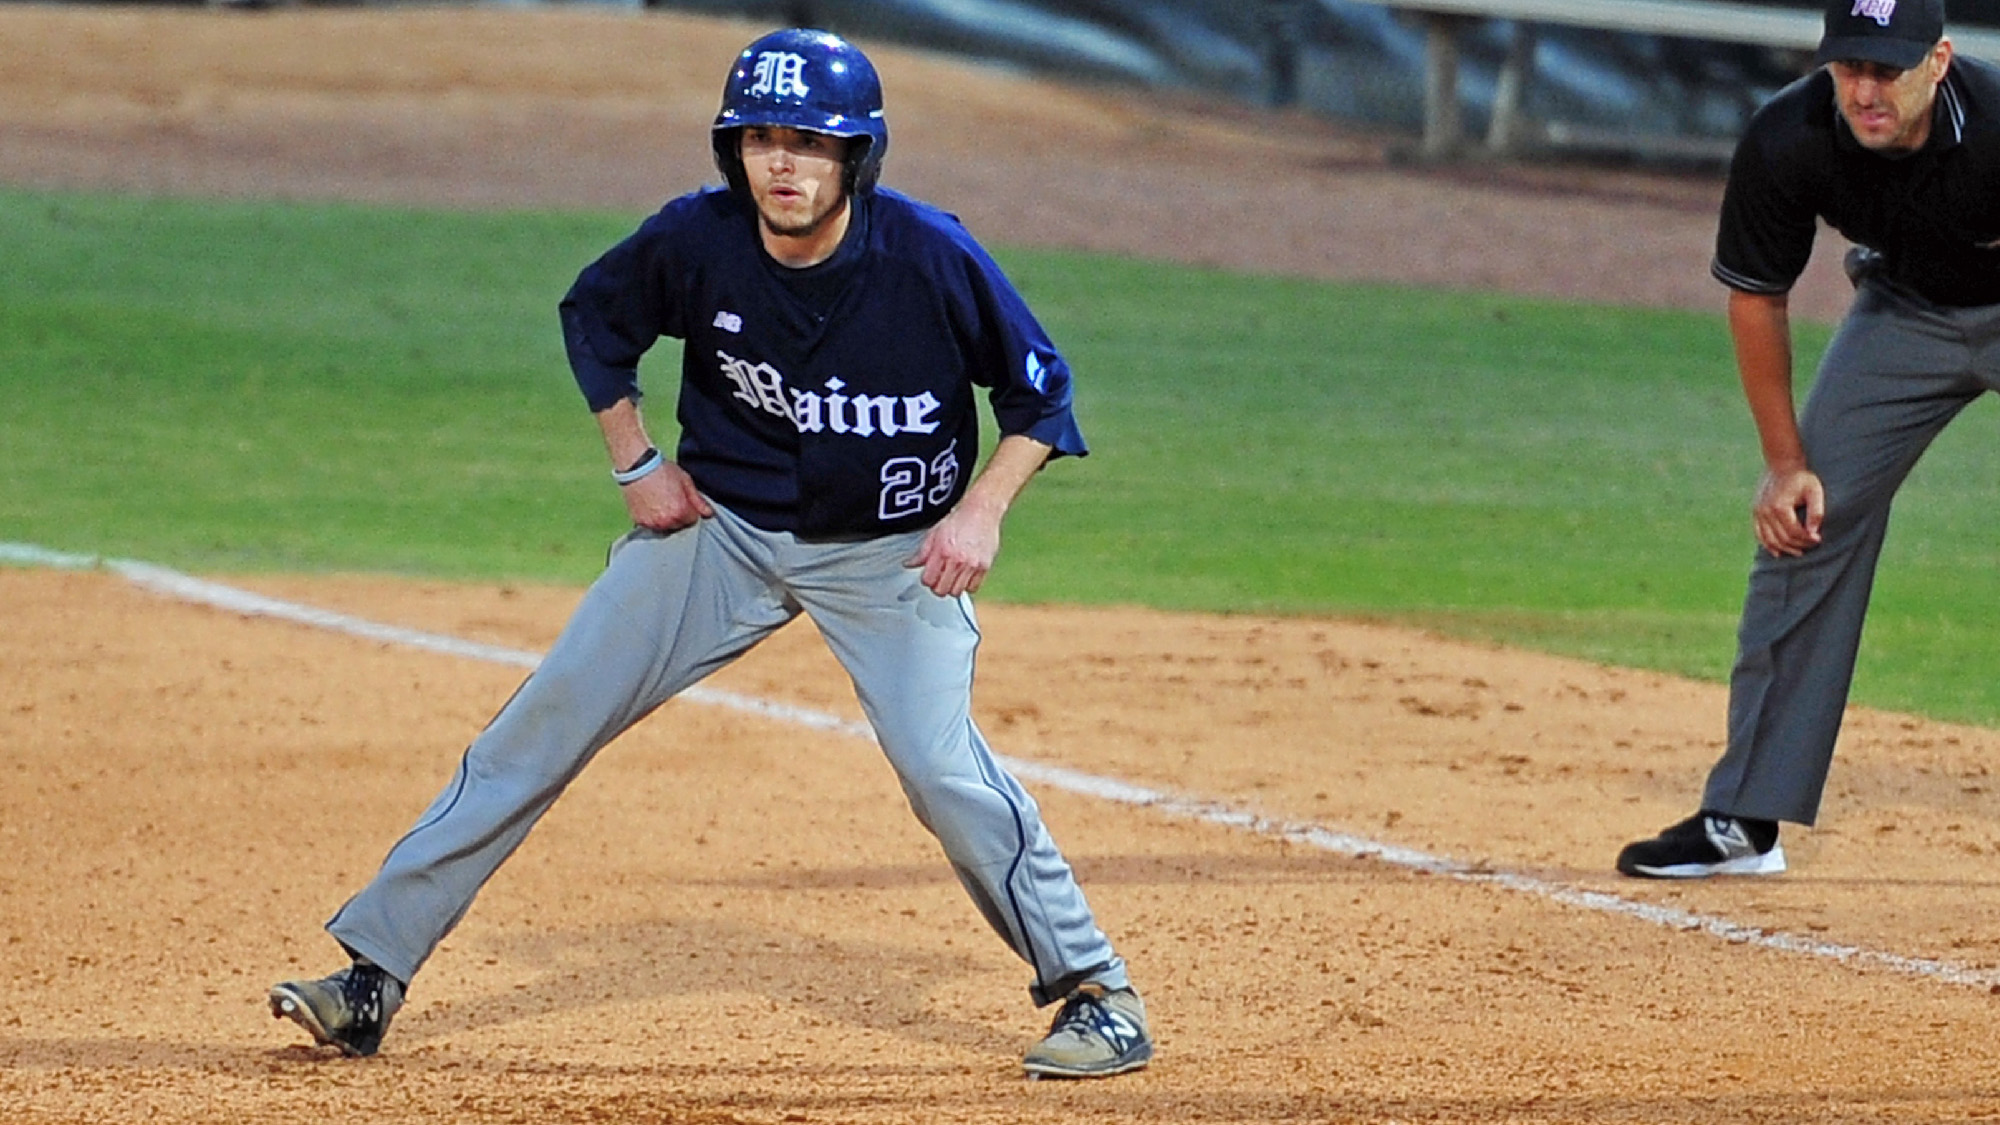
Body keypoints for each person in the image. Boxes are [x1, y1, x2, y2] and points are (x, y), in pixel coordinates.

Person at [267, 28, 1152, 1079]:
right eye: (760, 139)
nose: (782, 164)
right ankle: (370, 975)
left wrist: (980, 512)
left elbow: (1040, 397)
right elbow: (595, 319)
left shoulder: (927, 254)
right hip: (720, 533)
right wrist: (634, 461)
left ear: (856, 156)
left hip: (887, 557)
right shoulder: (698, 239)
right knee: (543, 722)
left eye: (810, 143)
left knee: (940, 771)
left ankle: (1099, 994)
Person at [1618, 0, 2000, 878]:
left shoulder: (1995, 126)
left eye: (1888, 68)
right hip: (1906, 313)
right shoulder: (1789, 138)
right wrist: (1786, 465)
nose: (1866, 89)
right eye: (1849, 65)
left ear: (1938, 60)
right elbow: (1757, 297)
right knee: (1803, 523)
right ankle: (1744, 819)